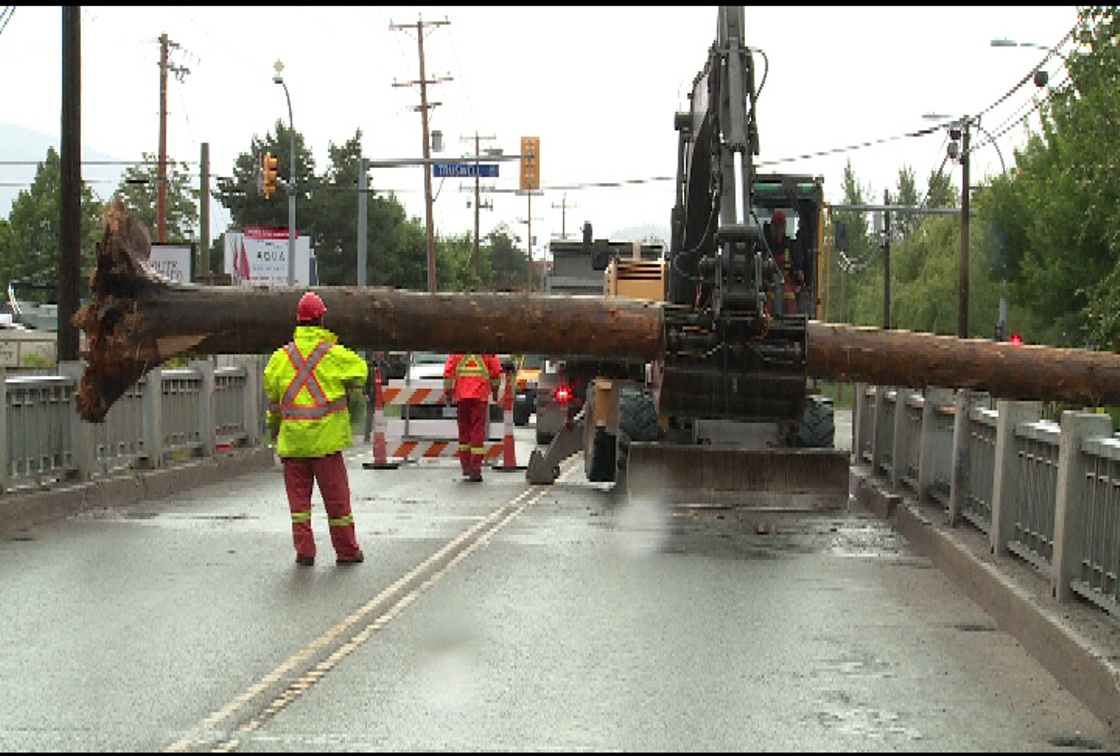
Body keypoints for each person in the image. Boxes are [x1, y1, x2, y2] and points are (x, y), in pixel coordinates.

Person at [264, 292, 368, 567]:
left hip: (293, 443)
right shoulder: (333, 355)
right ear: (322, 319)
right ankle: (346, 551)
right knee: (338, 504)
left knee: (299, 506)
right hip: (326, 443)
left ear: (298, 322)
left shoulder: (279, 358)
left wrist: (273, 431)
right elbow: (361, 371)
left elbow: (273, 405)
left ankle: (305, 552)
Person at [443, 352, 502, 482]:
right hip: (479, 396)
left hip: (462, 396)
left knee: (464, 432)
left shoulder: (457, 351)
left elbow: (448, 372)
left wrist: (448, 393)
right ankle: (475, 468)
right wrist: (495, 391)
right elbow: (496, 371)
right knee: (477, 431)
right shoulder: (486, 351)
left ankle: (466, 466)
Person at [765, 210, 803, 316]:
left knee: (789, 293)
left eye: (780, 225)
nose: (778, 229)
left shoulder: (791, 247)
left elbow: (798, 267)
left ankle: (791, 319)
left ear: (785, 227)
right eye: (775, 225)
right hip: (767, 288)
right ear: (771, 227)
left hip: (788, 291)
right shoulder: (764, 246)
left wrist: (799, 273)